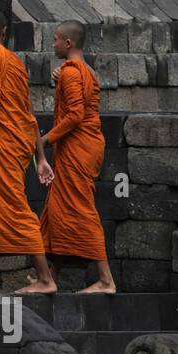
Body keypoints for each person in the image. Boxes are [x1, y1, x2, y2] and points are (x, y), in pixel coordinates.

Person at [0, 8, 57, 294]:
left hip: (3, 138)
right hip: (18, 140)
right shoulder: (15, 62)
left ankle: (45, 278)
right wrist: (40, 157)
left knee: (14, 207)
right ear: (5, 32)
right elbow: (28, 112)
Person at [35, 20, 115, 293]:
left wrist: (44, 140)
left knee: (80, 208)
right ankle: (50, 276)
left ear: (68, 44)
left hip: (79, 147)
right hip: (83, 146)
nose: (53, 44)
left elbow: (75, 116)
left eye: (56, 39)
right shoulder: (83, 71)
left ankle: (106, 280)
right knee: (58, 208)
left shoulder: (71, 72)